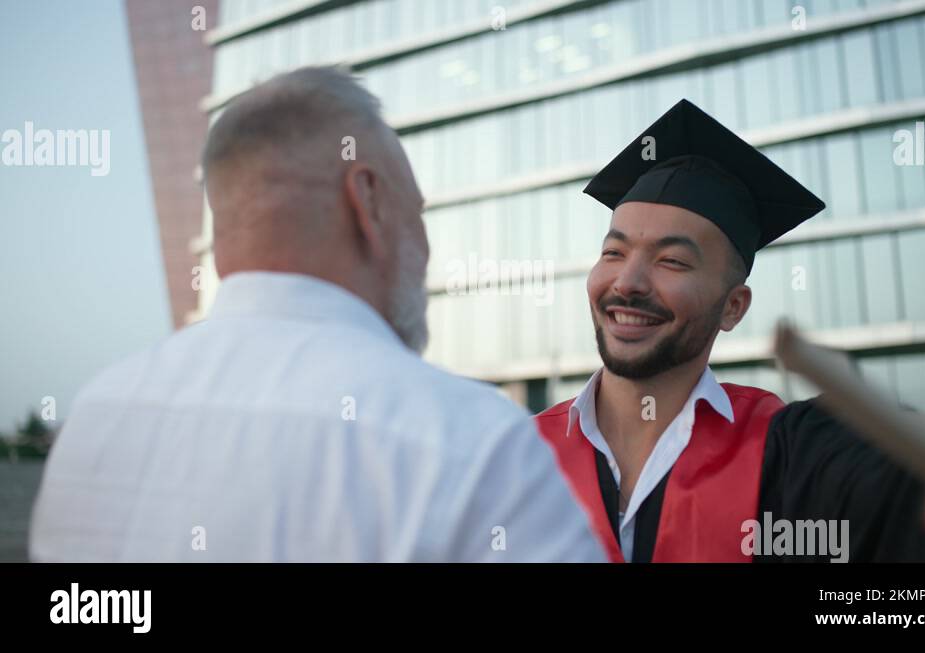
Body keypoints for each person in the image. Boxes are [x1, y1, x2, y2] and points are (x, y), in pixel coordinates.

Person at [29, 66, 604, 563]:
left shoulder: (95, 418)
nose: (427, 248)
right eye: (416, 212)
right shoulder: (471, 443)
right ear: (369, 201)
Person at [535, 98, 925, 563]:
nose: (628, 283)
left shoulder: (794, 452)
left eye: (671, 260)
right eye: (613, 253)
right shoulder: (516, 455)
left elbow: (909, 485)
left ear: (733, 308)